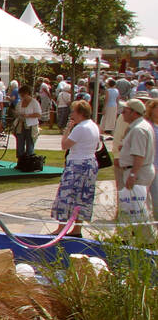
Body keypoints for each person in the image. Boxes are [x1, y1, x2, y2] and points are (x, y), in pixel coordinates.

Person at [51, 100, 100, 237]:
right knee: (83, 196)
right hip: (90, 163)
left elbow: (65, 144)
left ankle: (61, 228)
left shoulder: (80, 128)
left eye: (73, 111)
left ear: (79, 113)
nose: (72, 113)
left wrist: (67, 129)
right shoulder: (94, 126)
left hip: (77, 164)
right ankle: (77, 229)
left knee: (67, 195)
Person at [116, 98, 155, 224]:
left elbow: (139, 156)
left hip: (138, 172)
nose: (122, 113)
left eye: (125, 111)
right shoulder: (139, 126)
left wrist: (133, 174)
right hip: (137, 170)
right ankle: (128, 236)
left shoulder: (139, 129)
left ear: (134, 113)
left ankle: (147, 240)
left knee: (138, 209)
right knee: (131, 207)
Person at [14, 87, 42, 161]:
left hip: (31, 125)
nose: (22, 96)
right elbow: (17, 112)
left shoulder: (34, 102)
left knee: (30, 143)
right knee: (20, 143)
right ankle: (20, 161)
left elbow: (39, 114)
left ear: (28, 94)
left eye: (24, 94)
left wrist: (28, 115)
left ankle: (29, 161)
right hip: (21, 125)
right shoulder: (19, 103)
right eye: (21, 94)